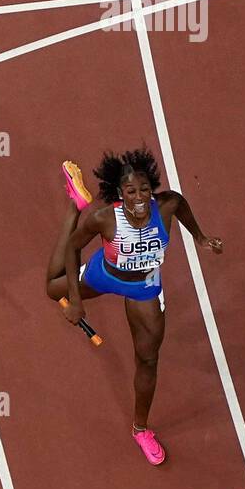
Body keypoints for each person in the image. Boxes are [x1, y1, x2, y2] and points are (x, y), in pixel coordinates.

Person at [46, 152, 222, 464]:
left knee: (148, 359)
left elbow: (182, 207)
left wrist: (201, 238)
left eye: (144, 189)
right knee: (51, 288)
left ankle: (141, 429)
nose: (139, 197)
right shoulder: (105, 219)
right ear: (120, 193)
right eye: (131, 192)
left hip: (145, 287)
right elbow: (75, 247)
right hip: (104, 275)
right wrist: (74, 300)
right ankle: (76, 205)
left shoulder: (167, 205)